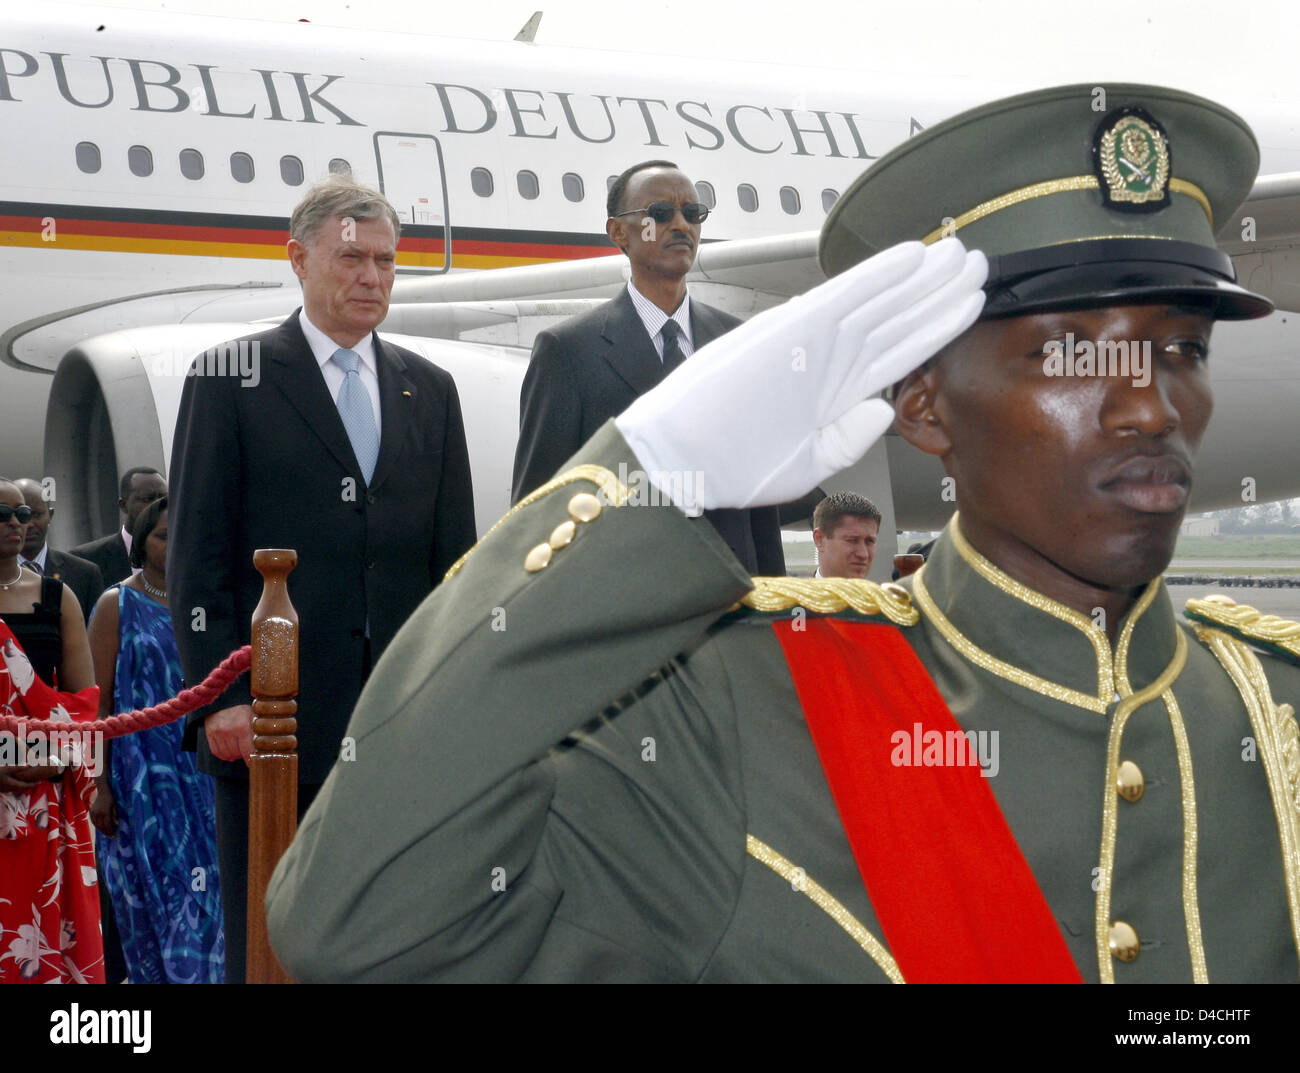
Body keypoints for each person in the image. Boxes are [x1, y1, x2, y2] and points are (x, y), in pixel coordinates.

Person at [267, 84, 1300, 983]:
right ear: (926, 407)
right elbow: (359, 923)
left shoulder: (1273, 709)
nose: (1148, 407)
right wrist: (646, 474)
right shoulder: (750, 712)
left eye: (1181, 348)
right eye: (1072, 352)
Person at [169, 176, 477, 983]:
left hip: (398, 729)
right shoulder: (229, 377)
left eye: (385, 260)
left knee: (396, 938)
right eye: (351, 258)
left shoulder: (430, 390)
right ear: (298, 259)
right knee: (276, 940)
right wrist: (221, 698)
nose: (371, 276)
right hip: (273, 724)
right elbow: (198, 559)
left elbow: (455, 566)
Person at [511, 159, 785, 576]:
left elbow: (761, 509)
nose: (681, 225)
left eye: (692, 214)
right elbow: (538, 510)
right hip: (623, 612)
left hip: (729, 612)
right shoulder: (567, 352)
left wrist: (773, 617)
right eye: (660, 214)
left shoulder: (740, 345)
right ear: (618, 232)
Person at [88, 498, 224, 983]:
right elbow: (97, 706)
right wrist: (99, 784)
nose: (174, 544)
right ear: (142, 541)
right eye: (164, 535)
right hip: (140, 777)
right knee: (153, 892)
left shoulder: (209, 601)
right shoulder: (115, 604)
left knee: (211, 894)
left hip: (204, 771)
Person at [0, 478, 104, 984]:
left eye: (22, 513)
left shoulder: (58, 597)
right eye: (3, 514)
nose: (16, 523)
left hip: (45, 787)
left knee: (46, 932)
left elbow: (84, 702)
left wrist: (49, 759)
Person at [13, 478, 103, 624]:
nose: (29, 524)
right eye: (22, 516)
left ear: (50, 515)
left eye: (36, 515)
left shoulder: (85, 574)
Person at [71, 467, 166, 591]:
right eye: (147, 499)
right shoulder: (85, 560)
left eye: (163, 498)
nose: (157, 506)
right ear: (123, 505)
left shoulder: (186, 555)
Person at [811, 492, 881, 579]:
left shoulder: (884, 592)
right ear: (819, 539)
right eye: (852, 540)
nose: (863, 554)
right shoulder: (796, 593)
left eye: (870, 541)